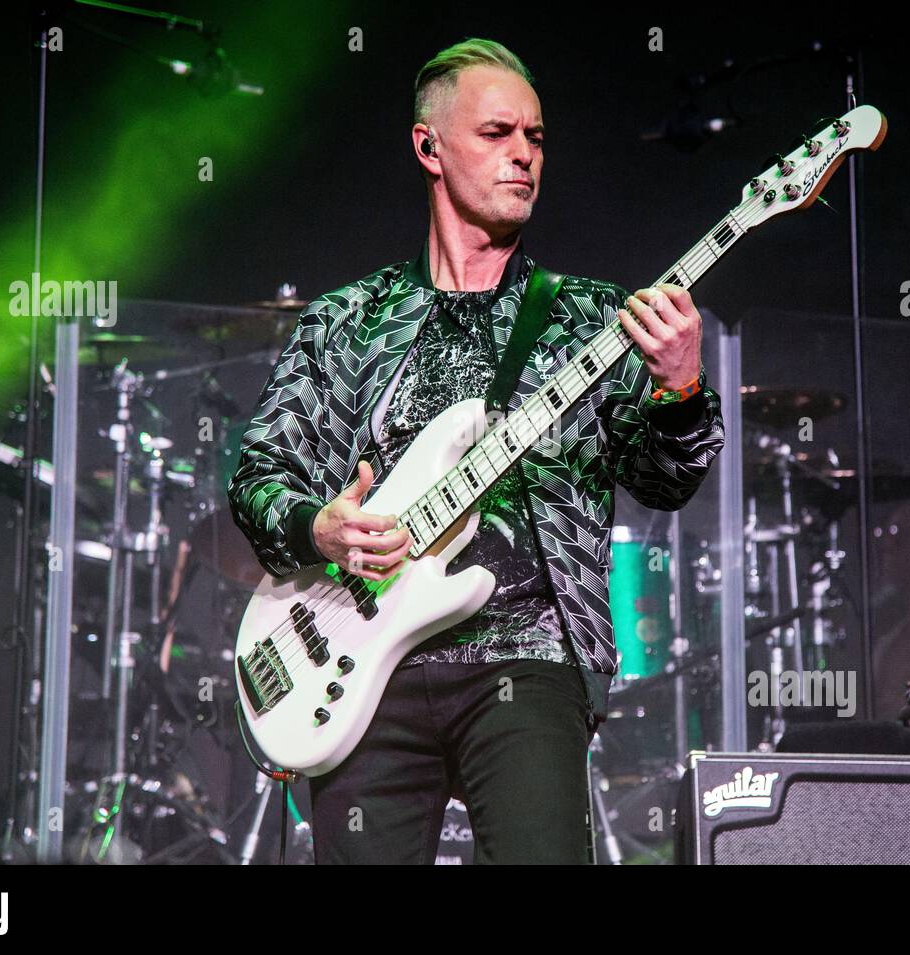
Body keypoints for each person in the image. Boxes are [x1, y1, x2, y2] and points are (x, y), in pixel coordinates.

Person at [229, 38, 725, 863]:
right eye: (498, 133)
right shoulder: (349, 319)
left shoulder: (590, 320)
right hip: (360, 664)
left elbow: (664, 479)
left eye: (535, 138)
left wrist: (678, 387)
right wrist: (323, 529)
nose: (525, 155)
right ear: (429, 147)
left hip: (528, 660)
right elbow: (257, 479)